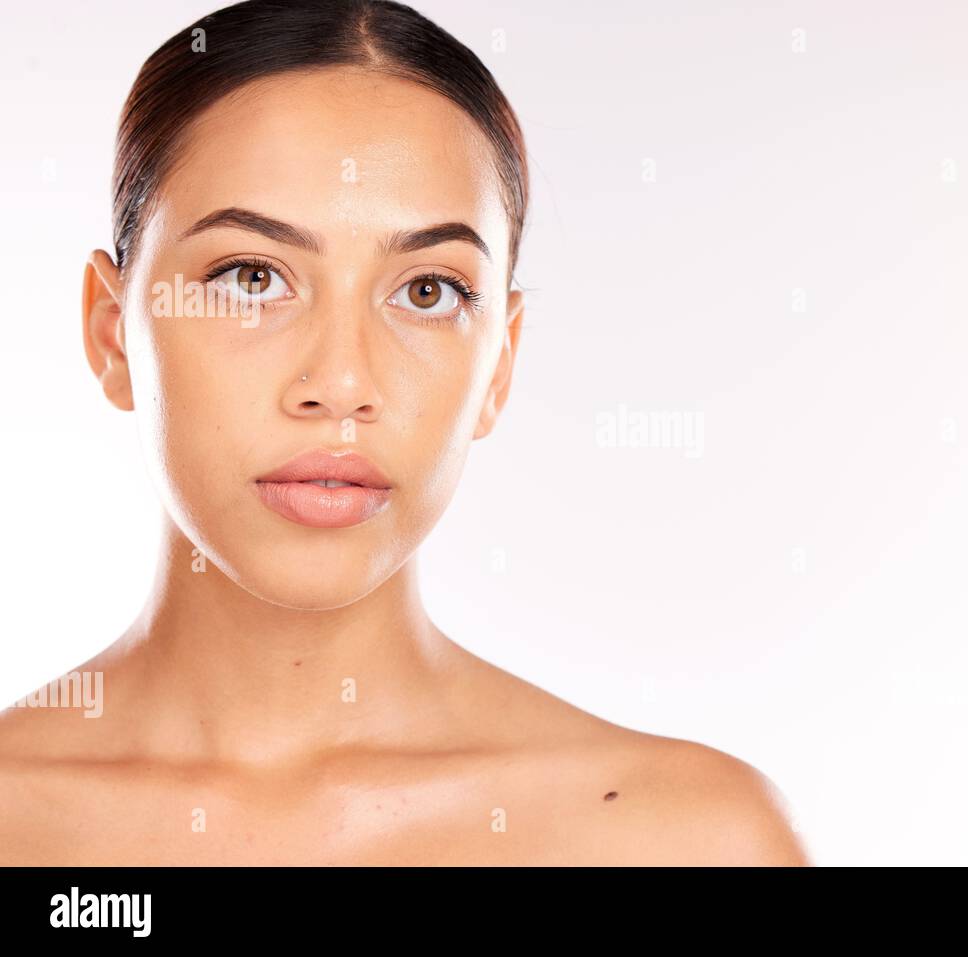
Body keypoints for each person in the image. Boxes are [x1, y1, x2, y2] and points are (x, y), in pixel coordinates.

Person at [0, 0, 810, 865]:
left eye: (428, 291)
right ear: (112, 332)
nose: (343, 384)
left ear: (498, 364)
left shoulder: (687, 839)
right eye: (251, 276)